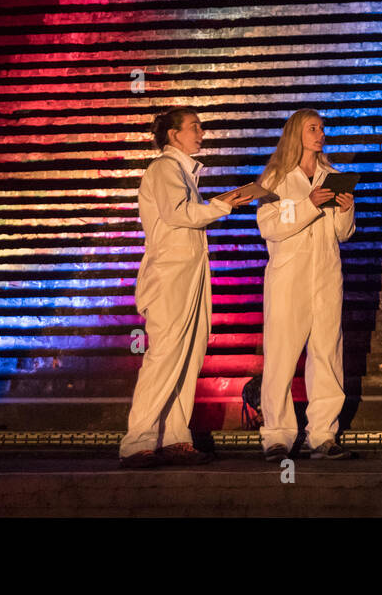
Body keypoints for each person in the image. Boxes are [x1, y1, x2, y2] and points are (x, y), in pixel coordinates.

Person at [120, 107, 254, 468]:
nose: (201, 132)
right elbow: (179, 213)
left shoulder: (183, 172)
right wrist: (222, 204)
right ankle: (138, 441)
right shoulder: (164, 168)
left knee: (187, 358)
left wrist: (219, 204)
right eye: (194, 127)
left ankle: (174, 436)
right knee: (165, 358)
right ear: (173, 135)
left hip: (189, 277)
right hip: (169, 279)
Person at [255, 109, 356, 462]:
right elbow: (269, 226)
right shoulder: (275, 177)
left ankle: (323, 434)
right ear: (296, 133)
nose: (320, 133)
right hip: (289, 278)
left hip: (326, 276)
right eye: (313, 128)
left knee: (327, 355)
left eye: (322, 128)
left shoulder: (332, 176)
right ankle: (276, 435)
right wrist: (307, 204)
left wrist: (344, 210)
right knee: (281, 357)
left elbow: (343, 234)